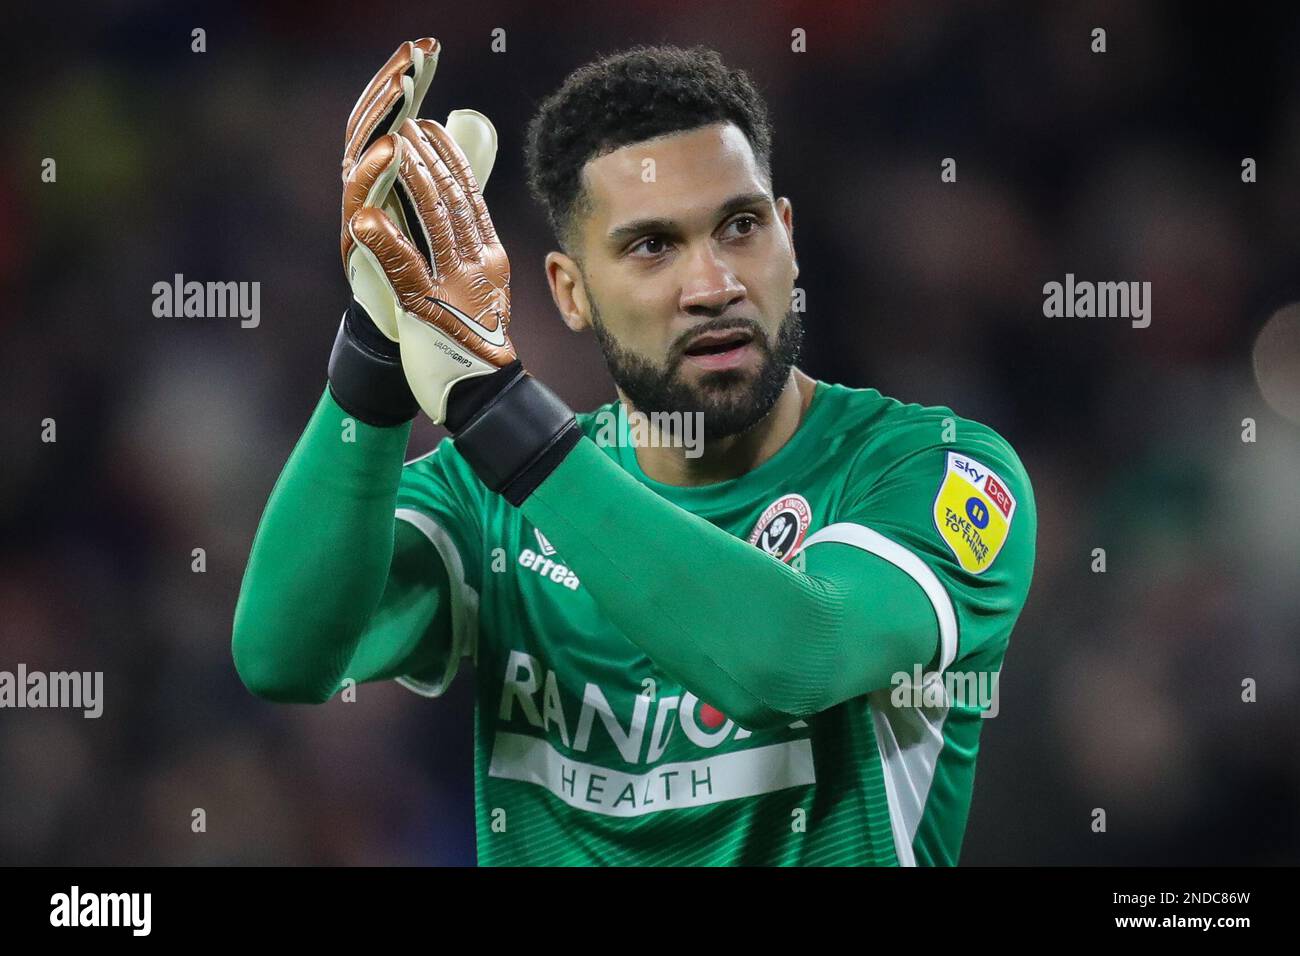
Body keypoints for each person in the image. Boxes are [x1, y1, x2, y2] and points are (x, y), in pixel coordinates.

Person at [232, 38, 1036, 866]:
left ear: (788, 239)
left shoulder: (928, 467)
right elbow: (282, 656)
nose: (714, 283)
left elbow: (789, 659)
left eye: (741, 226)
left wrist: (496, 409)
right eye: (653, 246)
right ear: (570, 292)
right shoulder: (487, 500)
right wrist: (372, 351)